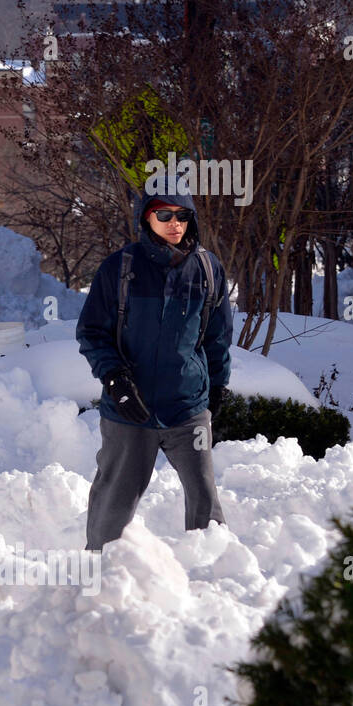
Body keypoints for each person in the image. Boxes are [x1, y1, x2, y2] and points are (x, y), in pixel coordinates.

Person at [76, 189, 233, 551]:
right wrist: (116, 381)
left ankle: (213, 570)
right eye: (164, 215)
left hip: (187, 407)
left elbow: (217, 338)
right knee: (113, 504)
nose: (174, 223)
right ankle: (99, 569)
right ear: (146, 218)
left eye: (182, 215)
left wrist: (217, 389)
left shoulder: (208, 270)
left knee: (205, 500)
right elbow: (91, 332)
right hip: (130, 408)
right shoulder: (119, 268)